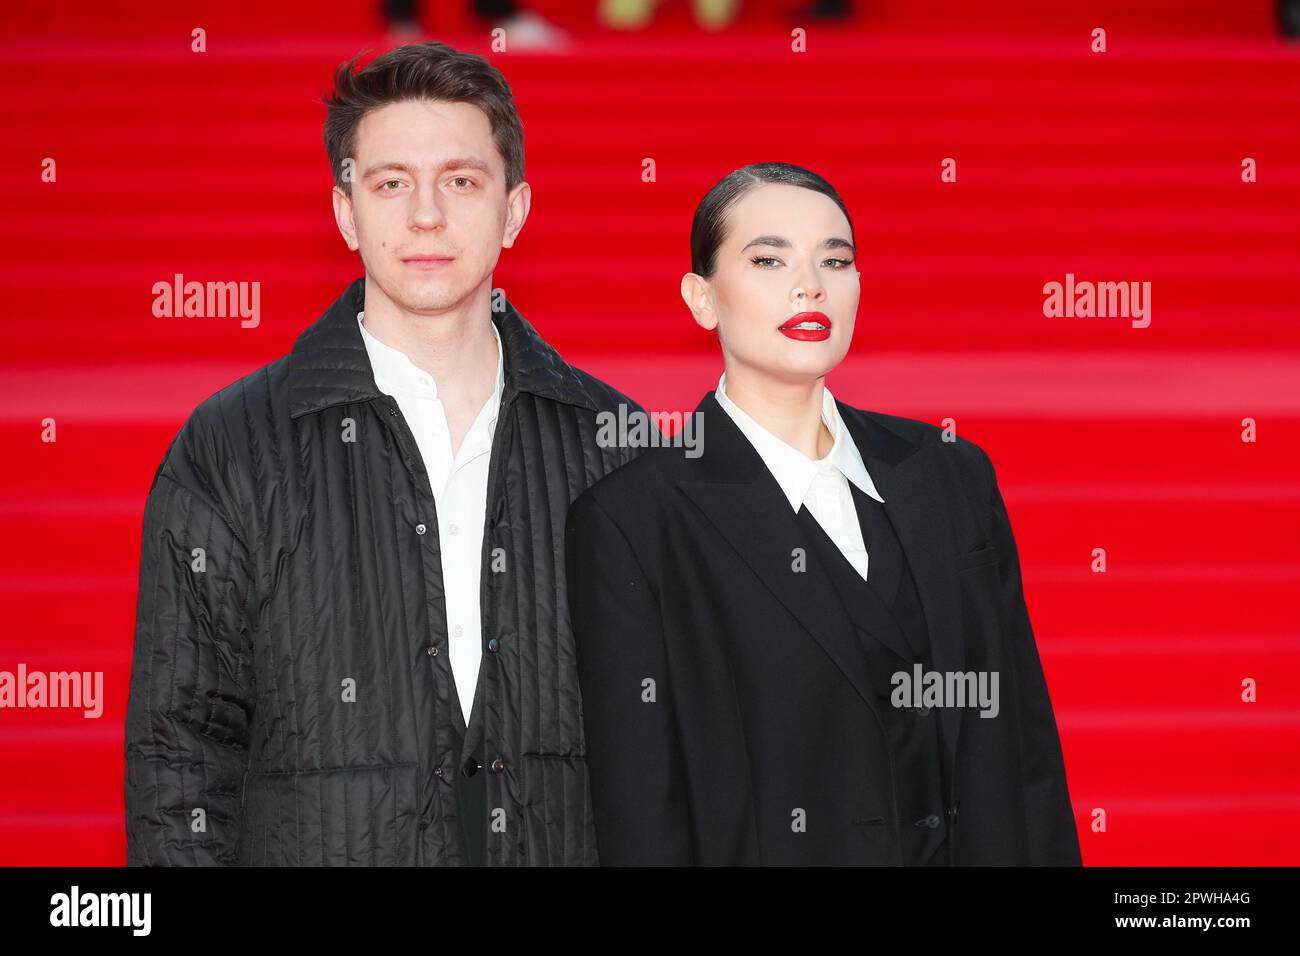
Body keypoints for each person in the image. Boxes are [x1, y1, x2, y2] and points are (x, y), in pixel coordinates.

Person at [124, 41, 644, 866]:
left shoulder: (615, 444)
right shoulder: (231, 446)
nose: (426, 215)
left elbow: (675, 748)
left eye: (461, 181)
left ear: (514, 210)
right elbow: (179, 748)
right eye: (391, 183)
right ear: (345, 211)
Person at [565, 162, 1082, 865]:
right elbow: (641, 806)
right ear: (701, 298)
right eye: (768, 259)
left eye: (835, 261)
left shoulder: (951, 473)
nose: (810, 284)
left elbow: (1024, 747)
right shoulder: (634, 520)